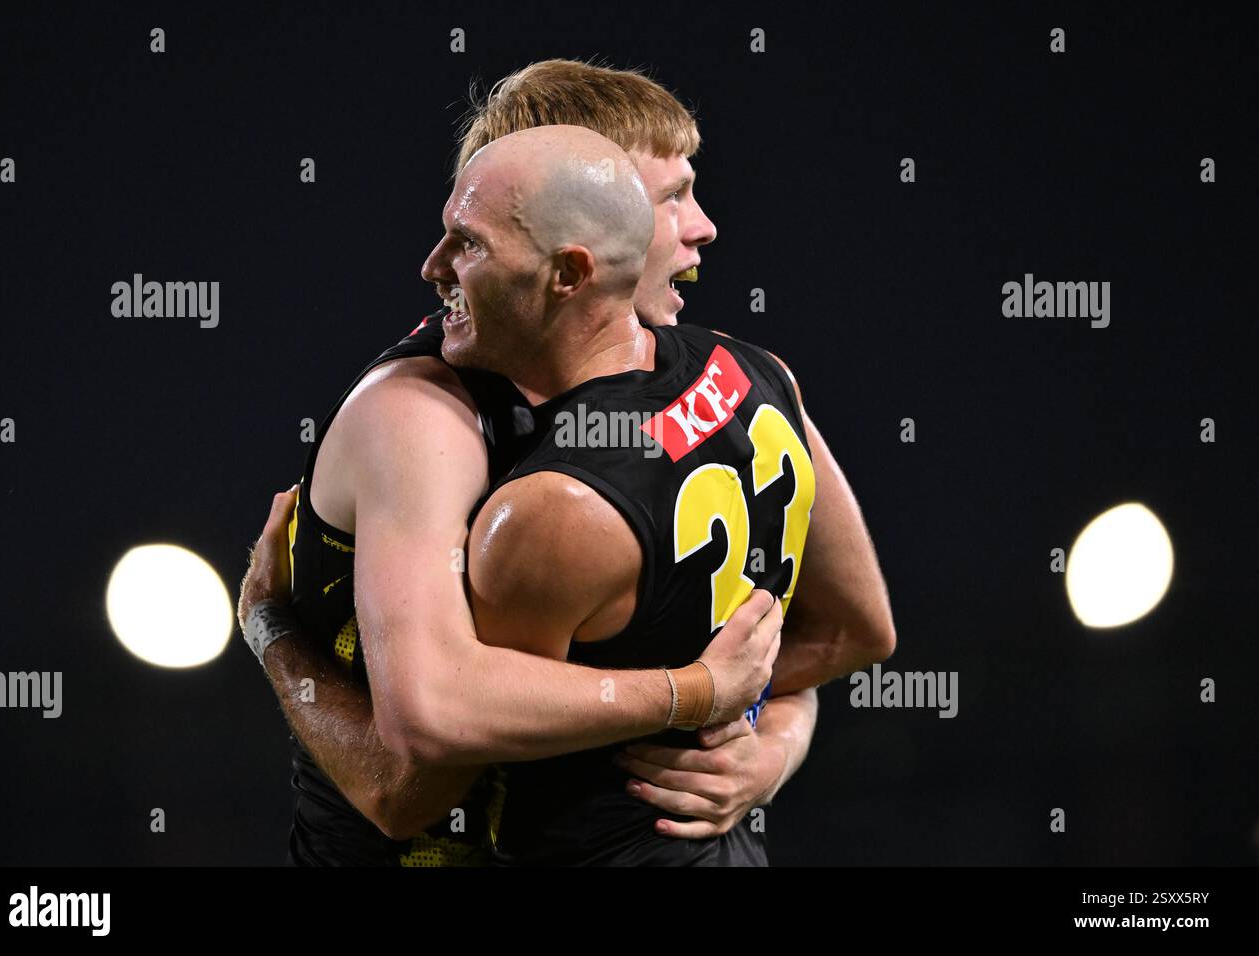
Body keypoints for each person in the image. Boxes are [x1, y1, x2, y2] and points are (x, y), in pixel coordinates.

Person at [239, 61, 894, 866]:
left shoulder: (695, 382)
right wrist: (704, 703)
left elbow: (837, 633)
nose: (704, 226)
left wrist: (760, 752)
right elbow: (405, 780)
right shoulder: (420, 419)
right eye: (672, 197)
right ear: (574, 242)